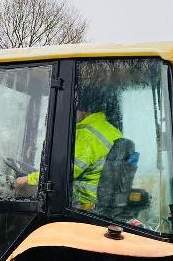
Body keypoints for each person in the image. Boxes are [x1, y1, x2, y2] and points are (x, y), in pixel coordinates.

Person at [14, 81, 122, 210]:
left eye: (70, 110)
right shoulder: (110, 130)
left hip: (82, 204)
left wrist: (25, 180)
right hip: (99, 201)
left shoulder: (87, 134)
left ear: (81, 110)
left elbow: (62, 172)